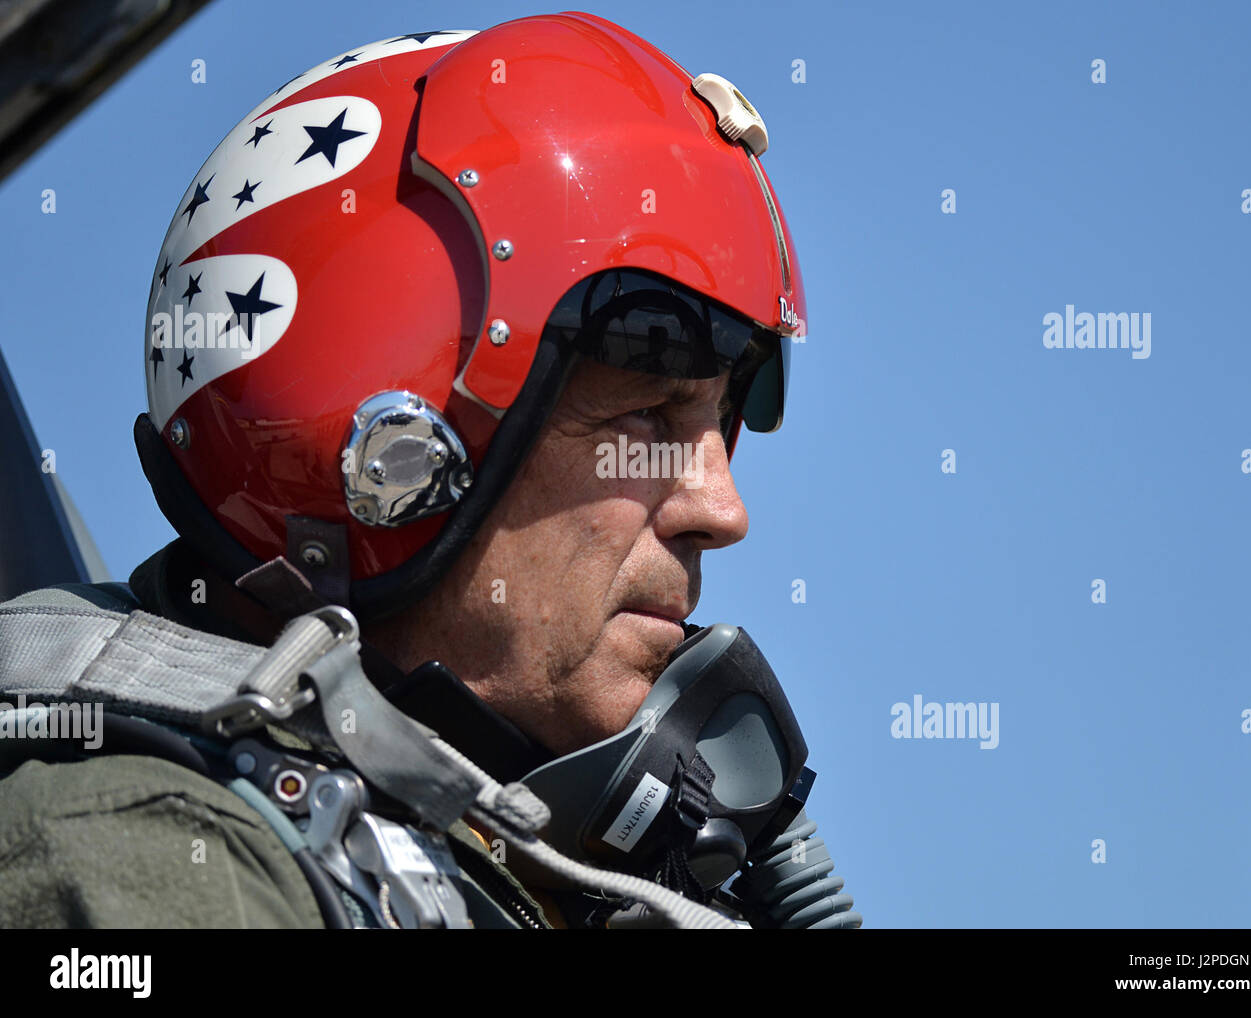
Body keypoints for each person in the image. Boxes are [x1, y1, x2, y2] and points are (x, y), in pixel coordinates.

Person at [0, 13, 858, 929]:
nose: (721, 509)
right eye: (644, 412)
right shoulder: (159, 869)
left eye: (721, 420)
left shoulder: (464, 871)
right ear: (382, 449)